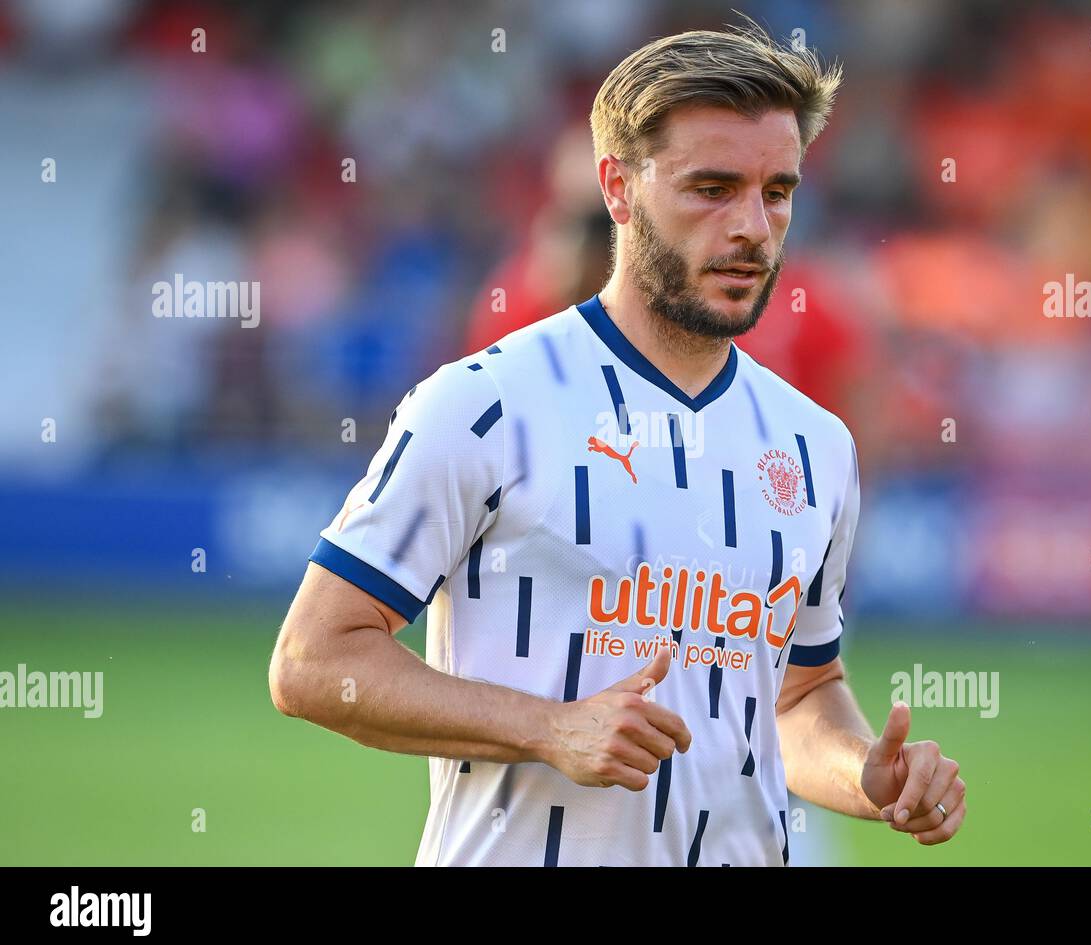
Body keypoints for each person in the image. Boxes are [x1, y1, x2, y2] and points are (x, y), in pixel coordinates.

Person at [269, 18, 966, 866]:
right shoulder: (483, 405)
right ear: (618, 188)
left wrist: (869, 777)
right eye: (712, 188)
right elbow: (312, 661)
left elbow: (798, 698)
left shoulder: (817, 445)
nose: (752, 225)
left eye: (776, 192)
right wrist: (548, 728)